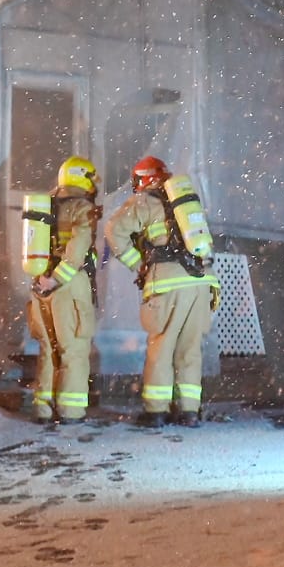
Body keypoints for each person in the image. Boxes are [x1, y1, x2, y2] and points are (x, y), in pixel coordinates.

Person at [105, 156, 220, 428]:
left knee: (162, 347)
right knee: (190, 350)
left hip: (168, 285)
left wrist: (139, 264)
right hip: (202, 281)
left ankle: (156, 412)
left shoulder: (144, 201)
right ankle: (189, 411)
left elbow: (114, 231)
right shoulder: (186, 200)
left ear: (143, 179)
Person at [24, 156, 101, 428]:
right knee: (74, 349)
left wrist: (45, 280)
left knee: (48, 348)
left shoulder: (45, 205)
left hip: (39, 283)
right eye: (91, 178)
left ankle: (43, 408)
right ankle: (70, 411)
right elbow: (78, 249)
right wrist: (58, 279)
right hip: (68, 284)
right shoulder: (82, 208)